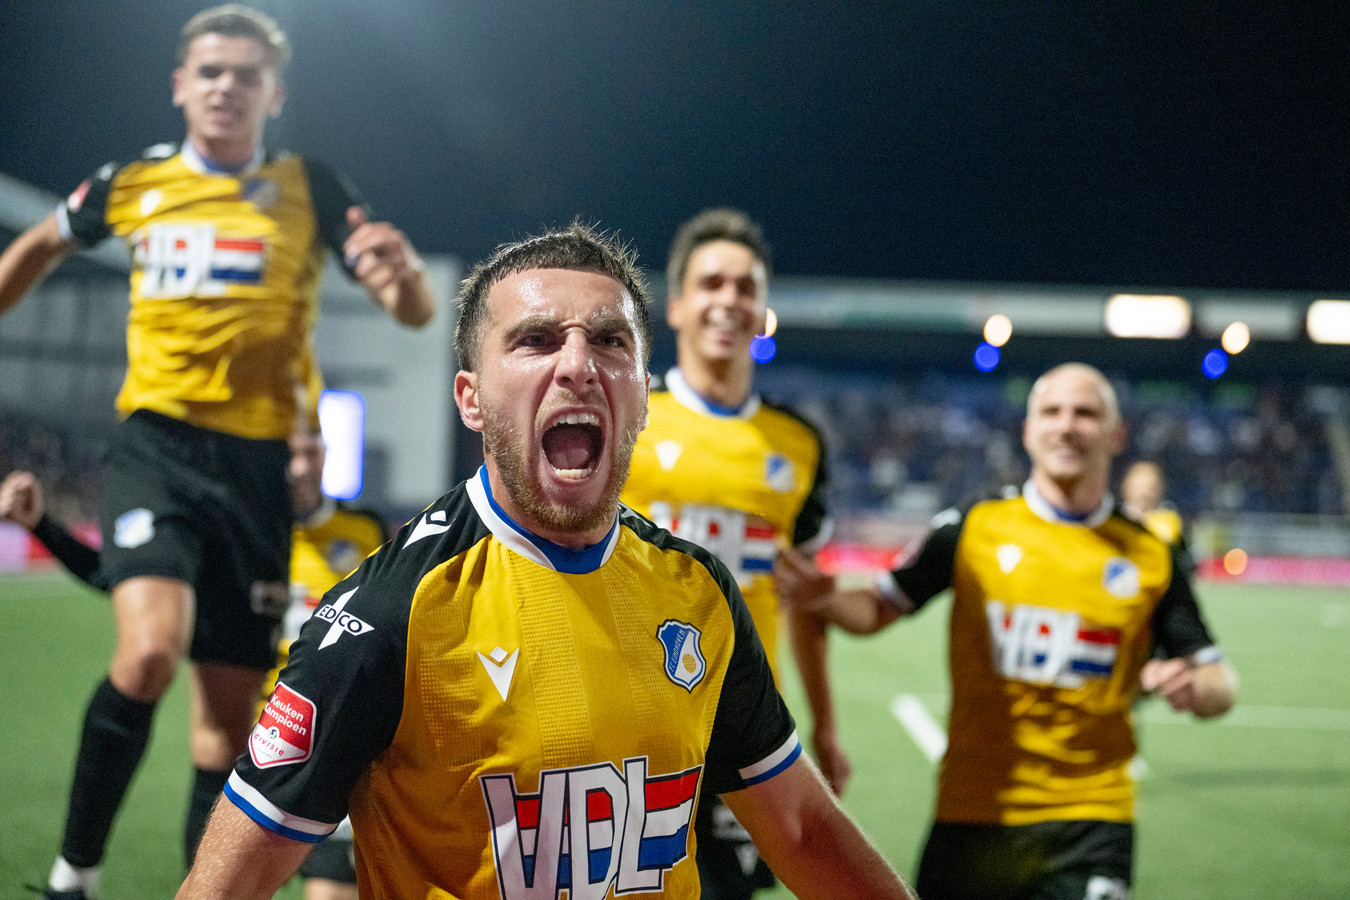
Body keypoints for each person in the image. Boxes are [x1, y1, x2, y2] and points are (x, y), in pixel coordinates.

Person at [176, 223, 916, 899]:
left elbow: (802, 831)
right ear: (470, 398)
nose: (578, 365)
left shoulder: (700, 593)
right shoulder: (389, 614)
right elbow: (227, 883)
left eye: (610, 341)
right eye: (535, 340)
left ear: (643, 397)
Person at [0, 6, 435, 897]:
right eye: (210, 72)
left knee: (223, 728)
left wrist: (408, 286)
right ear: (179, 85)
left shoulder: (309, 186)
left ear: (275, 93)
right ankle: (69, 879)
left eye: (245, 74)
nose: (226, 87)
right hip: (155, 448)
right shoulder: (130, 184)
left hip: (259, 471)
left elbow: (414, 311)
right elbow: (40, 244)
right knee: (151, 652)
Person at [777, 362, 1238, 900]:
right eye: (1052, 411)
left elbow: (1218, 679)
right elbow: (878, 609)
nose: (1066, 426)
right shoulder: (976, 525)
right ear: (1028, 430)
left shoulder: (1151, 554)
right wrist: (825, 596)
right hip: (973, 812)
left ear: (1116, 435)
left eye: (1085, 413)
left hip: (1091, 819)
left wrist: (1199, 689)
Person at [1, 424, 387, 900]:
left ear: (327, 454)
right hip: (261, 745)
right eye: (288, 454)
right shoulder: (234, 538)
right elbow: (123, 576)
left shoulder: (365, 533)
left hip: (333, 746)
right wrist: (44, 527)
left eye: (310, 450)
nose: (300, 466)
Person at [619, 208, 845, 899]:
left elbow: (806, 599)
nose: (730, 300)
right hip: (627, 723)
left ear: (763, 310)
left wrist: (826, 728)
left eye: (746, 287)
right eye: (711, 283)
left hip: (744, 728)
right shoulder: (628, 416)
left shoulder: (798, 444)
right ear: (679, 305)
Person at [1120, 460, 1186, 548]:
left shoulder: (1168, 519)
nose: (1144, 493)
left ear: (1159, 489)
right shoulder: (1113, 517)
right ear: (1126, 486)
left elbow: (1167, 539)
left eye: (1149, 487)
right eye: (1139, 487)